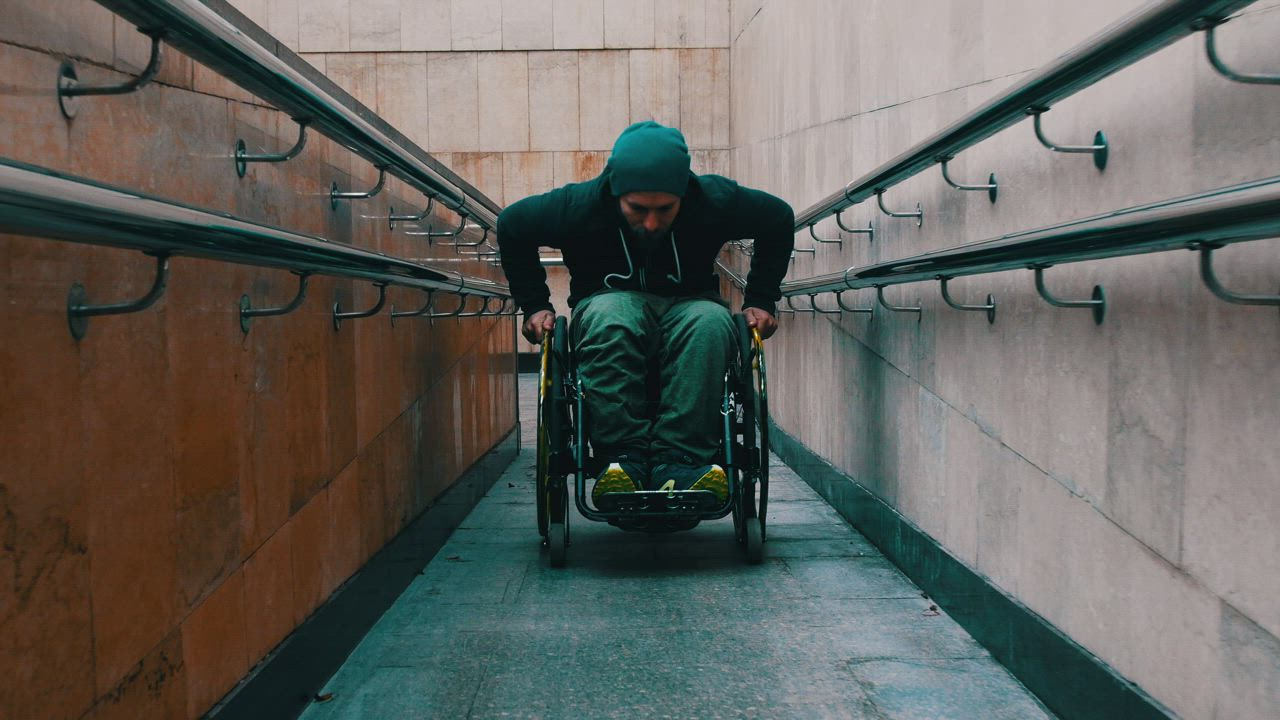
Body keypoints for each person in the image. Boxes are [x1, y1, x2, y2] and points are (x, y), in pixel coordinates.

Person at [496, 120, 794, 506]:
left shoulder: (712, 199)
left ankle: (682, 461)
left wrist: (761, 298)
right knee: (612, 316)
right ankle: (622, 461)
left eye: (664, 209)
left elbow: (778, 218)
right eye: (637, 209)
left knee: (711, 323)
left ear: (684, 192)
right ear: (615, 190)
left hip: (691, 303)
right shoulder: (580, 205)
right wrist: (535, 304)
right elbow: (513, 225)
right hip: (606, 300)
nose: (651, 222)